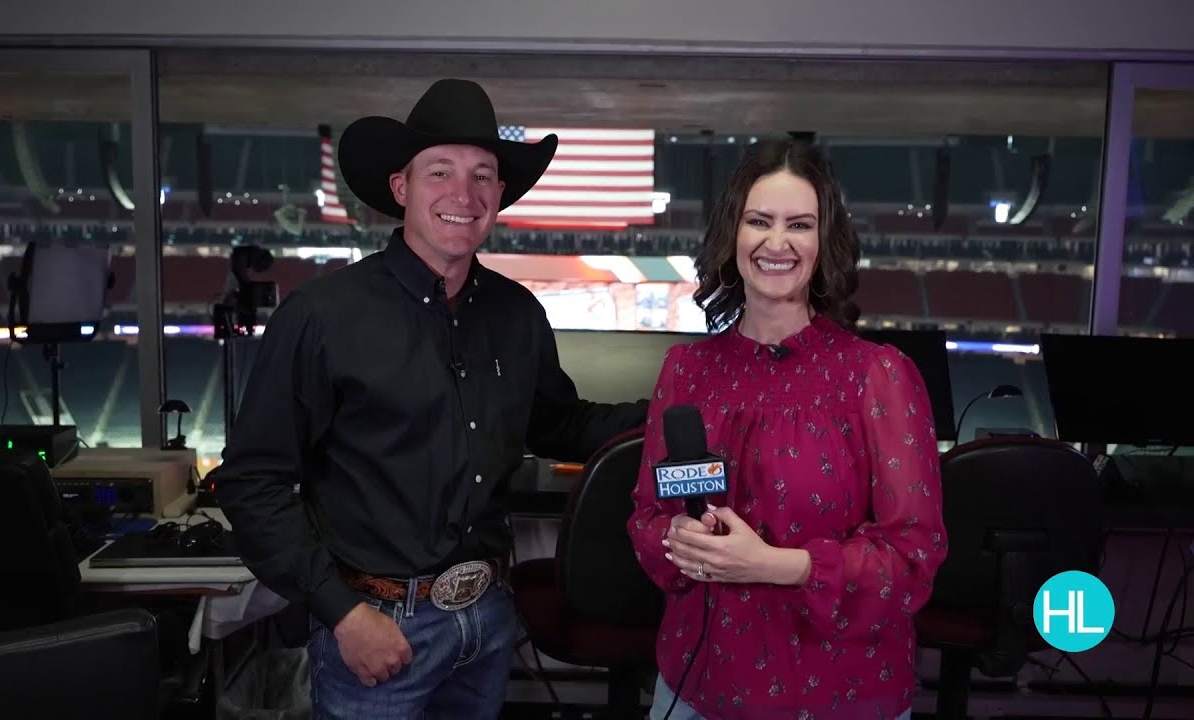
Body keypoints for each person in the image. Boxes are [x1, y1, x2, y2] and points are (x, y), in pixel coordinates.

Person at [211, 79, 648, 720]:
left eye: (482, 176)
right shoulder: (324, 316)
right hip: (376, 629)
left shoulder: (517, 313)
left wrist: (685, 410)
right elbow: (253, 483)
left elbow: (561, 424)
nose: (463, 195)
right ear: (401, 189)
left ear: (500, 194)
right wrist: (344, 614)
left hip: (489, 622)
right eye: (440, 171)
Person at [627, 139, 947, 720]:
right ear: (733, 235)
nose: (777, 242)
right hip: (697, 687)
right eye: (759, 221)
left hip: (836, 694)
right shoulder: (686, 371)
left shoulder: (878, 375)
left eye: (799, 224)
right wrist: (679, 540)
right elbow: (647, 518)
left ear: (825, 244)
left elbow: (913, 558)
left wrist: (776, 565)